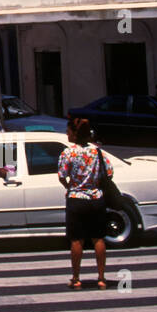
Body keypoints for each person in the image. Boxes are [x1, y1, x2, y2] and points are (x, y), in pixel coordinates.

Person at [57, 118, 110, 289]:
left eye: (68, 131)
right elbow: (108, 173)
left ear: (74, 133)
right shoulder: (98, 152)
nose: (67, 133)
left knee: (76, 240)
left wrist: (70, 187)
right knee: (98, 238)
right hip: (96, 199)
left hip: (76, 200)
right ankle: (101, 278)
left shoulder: (68, 153)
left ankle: (76, 278)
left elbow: (61, 175)